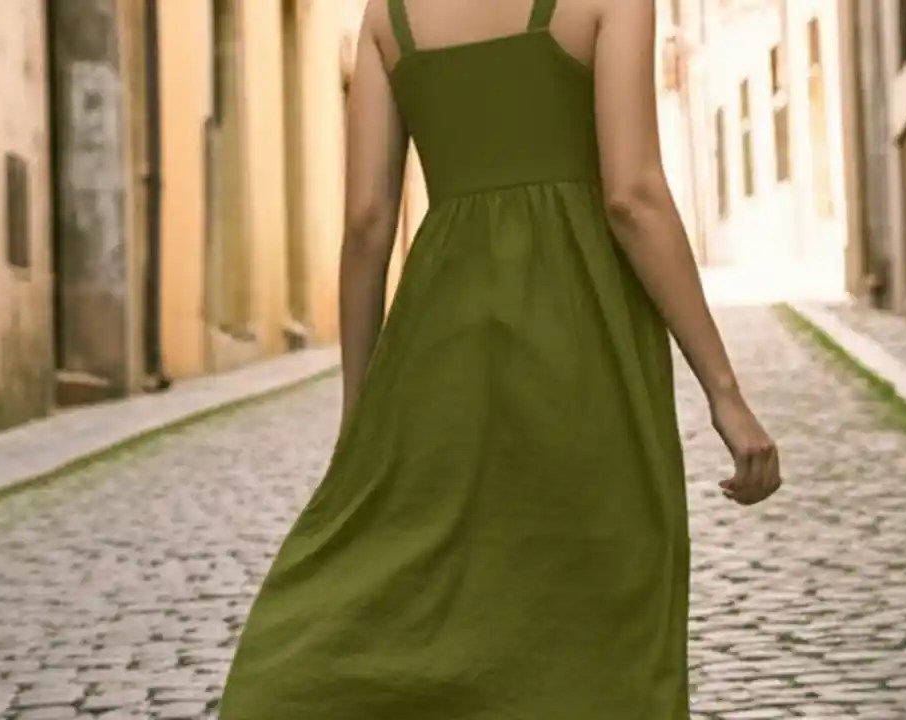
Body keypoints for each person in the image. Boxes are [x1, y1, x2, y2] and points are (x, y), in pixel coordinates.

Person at [218, 0, 781, 716]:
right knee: (603, 605)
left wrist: (359, 408)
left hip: (438, 343)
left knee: (419, 580)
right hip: (585, 337)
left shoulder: (387, 16)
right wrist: (724, 393)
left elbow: (366, 224)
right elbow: (633, 197)